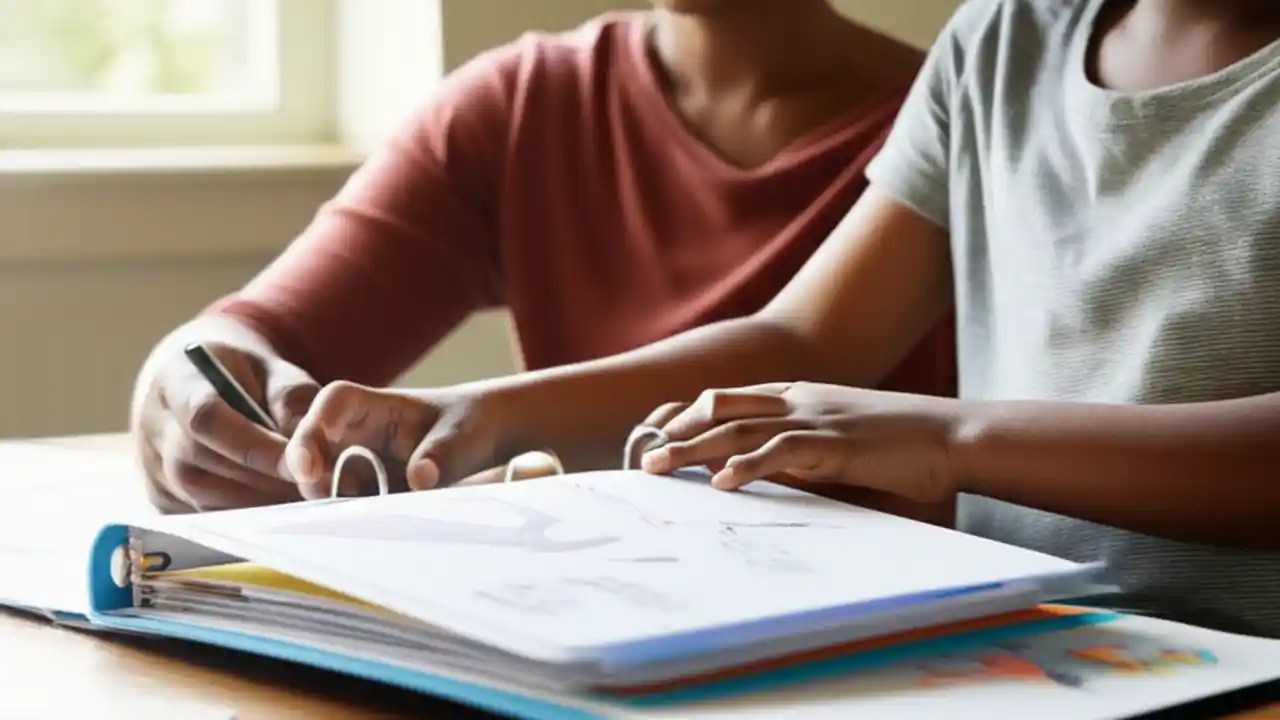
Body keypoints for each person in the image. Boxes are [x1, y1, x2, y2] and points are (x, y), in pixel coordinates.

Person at [281, 0, 1280, 636]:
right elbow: (806, 340)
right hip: (1041, 654)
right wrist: (486, 413)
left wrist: (947, 439)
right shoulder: (1000, 43)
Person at [130, 0, 955, 513]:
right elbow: (253, 337)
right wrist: (177, 386)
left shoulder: (966, 129)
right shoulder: (523, 107)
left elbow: (804, 350)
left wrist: (476, 422)